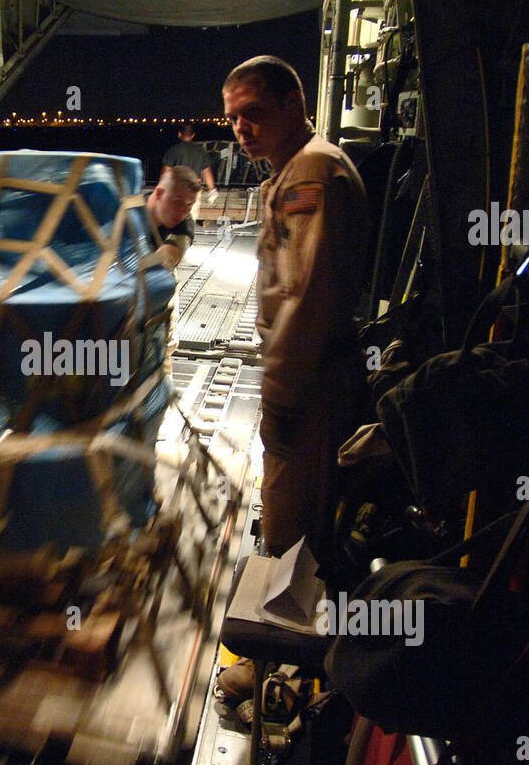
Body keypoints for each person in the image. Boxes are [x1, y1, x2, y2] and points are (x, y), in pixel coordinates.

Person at [222, 55, 368, 559]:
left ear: (294, 104)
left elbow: (308, 297)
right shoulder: (297, 170)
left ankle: (291, 630)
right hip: (312, 379)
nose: (242, 128)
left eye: (254, 112)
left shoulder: (312, 172)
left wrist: (281, 396)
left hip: (309, 387)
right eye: (234, 118)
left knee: (293, 533)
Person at [145, 164, 201, 271]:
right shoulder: (130, 210)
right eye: (178, 202)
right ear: (159, 193)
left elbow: (168, 256)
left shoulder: (184, 224)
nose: (184, 212)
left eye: (190, 205)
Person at [162, 123, 218, 199]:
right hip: (194, 190)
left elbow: (166, 170)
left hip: (178, 190)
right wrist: (212, 190)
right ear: (193, 135)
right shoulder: (200, 150)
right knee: (193, 210)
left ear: (179, 134)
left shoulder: (174, 150)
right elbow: (207, 171)